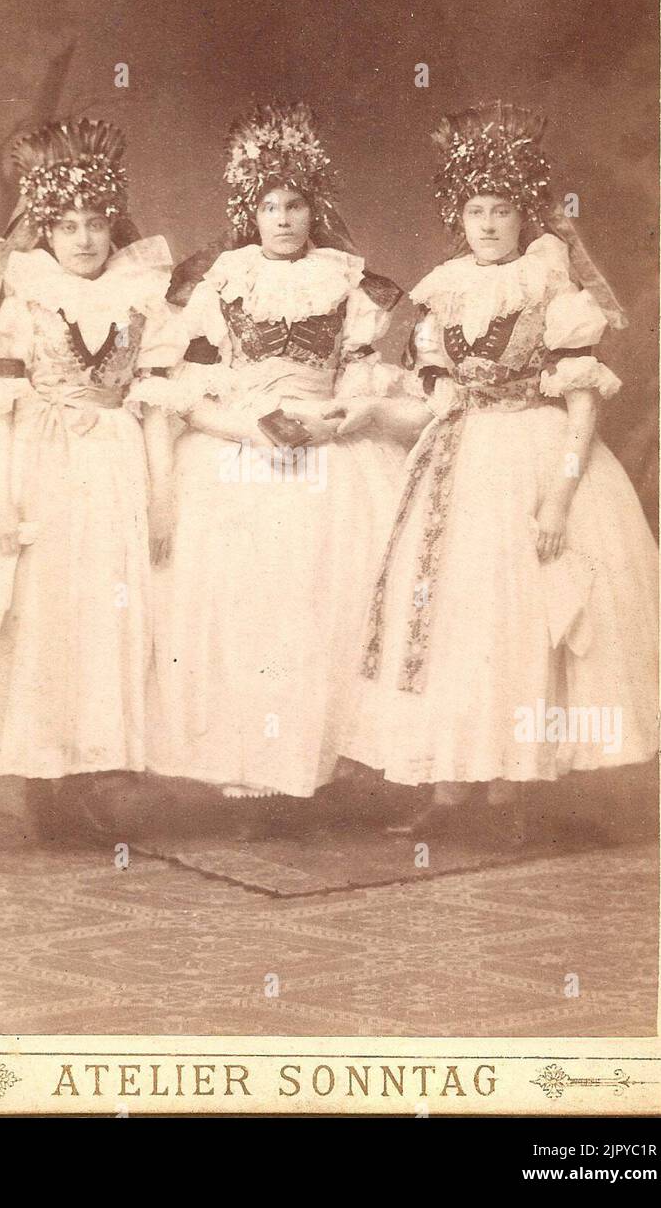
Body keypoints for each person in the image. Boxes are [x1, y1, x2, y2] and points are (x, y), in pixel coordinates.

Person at [335, 102, 659, 842]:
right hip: (458, 459)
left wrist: (559, 497)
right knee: (449, 618)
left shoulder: (553, 289)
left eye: (502, 210)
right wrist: (416, 396)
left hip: (535, 455)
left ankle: (513, 792)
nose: (487, 224)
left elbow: (584, 407)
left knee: (515, 618)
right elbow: (433, 374)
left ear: (523, 217)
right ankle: (448, 787)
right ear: (460, 217)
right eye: (475, 210)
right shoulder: (444, 287)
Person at [0, 119, 179, 840]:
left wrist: (163, 496)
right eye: (66, 225)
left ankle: (95, 770)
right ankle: (43, 778)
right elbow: (8, 405)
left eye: (95, 225)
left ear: (114, 229)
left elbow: (155, 404)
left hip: (114, 458)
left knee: (108, 611)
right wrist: (2, 501)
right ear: (42, 232)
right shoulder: (23, 295)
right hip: (40, 459)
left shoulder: (143, 297)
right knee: (45, 612)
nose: (82, 240)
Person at [137, 102, 404, 810]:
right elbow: (182, 390)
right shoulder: (222, 281)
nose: (283, 220)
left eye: (295, 205)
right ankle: (252, 775)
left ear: (314, 211)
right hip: (239, 447)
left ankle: (314, 768)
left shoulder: (345, 282)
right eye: (269, 207)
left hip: (327, 446)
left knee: (325, 601)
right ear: (249, 214)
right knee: (245, 606)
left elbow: (361, 372)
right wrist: (243, 428)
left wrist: (337, 420)